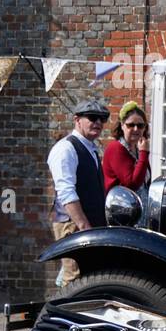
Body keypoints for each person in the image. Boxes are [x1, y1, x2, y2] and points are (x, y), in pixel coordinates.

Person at [47, 98, 109, 288]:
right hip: (72, 224)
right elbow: (66, 192)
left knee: (89, 277)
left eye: (101, 118)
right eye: (92, 117)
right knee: (74, 278)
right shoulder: (66, 148)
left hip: (87, 223)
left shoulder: (91, 148)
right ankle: (56, 316)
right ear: (77, 120)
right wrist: (83, 225)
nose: (98, 122)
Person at [103, 100, 152, 195]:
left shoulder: (138, 148)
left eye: (140, 125)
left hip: (140, 205)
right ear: (122, 125)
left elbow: (145, 181)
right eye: (130, 125)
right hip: (121, 206)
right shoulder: (116, 148)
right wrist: (144, 153)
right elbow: (131, 184)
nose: (136, 129)